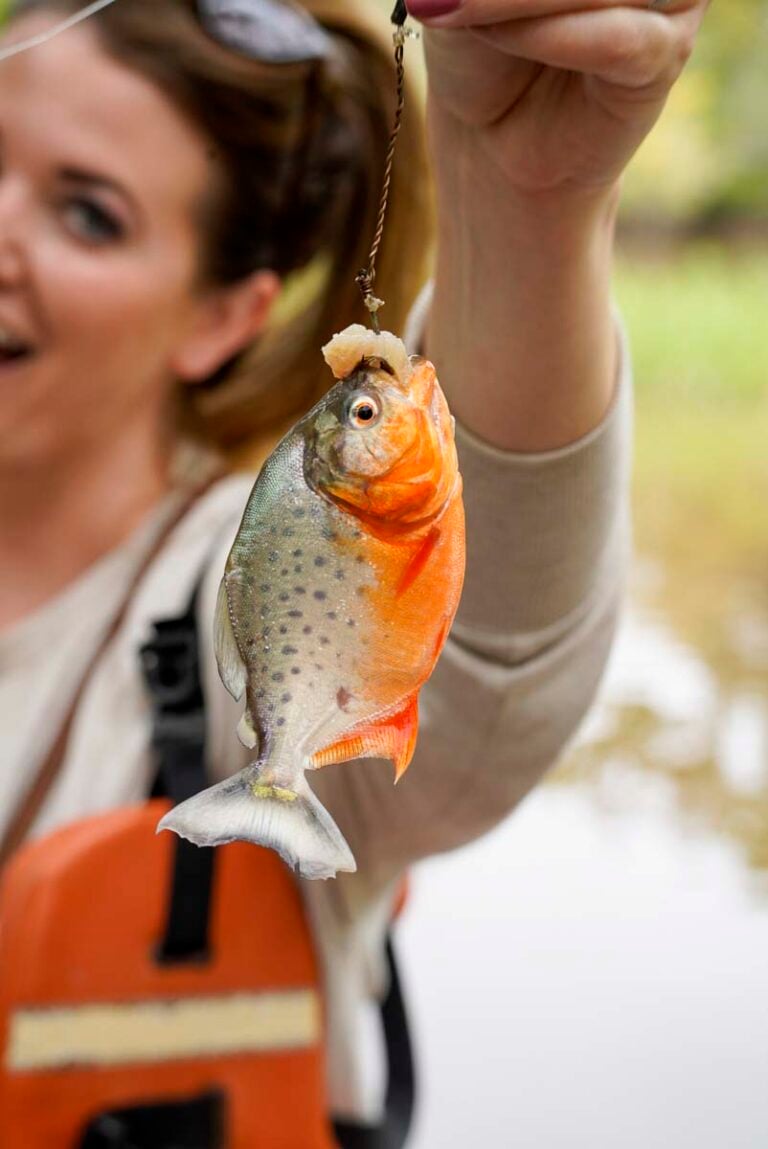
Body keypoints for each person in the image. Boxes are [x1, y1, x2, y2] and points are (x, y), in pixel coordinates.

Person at [0, 0, 707, 1142]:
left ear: (226, 317)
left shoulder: (227, 584)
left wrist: (525, 202)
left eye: (88, 215)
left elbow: (496, 664)